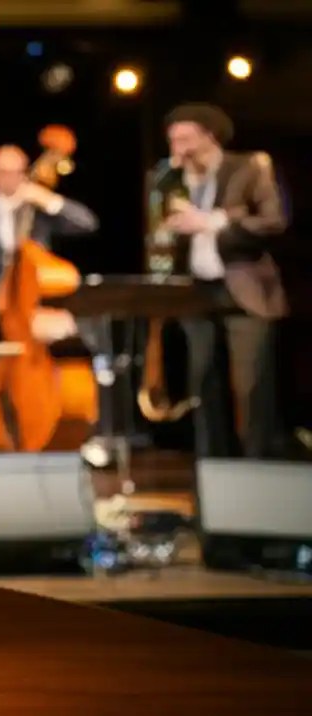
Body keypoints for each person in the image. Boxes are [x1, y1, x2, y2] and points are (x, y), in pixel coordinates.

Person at [159, 103, 287, 458]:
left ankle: (257, 468)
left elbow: (274, 221)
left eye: (185, 139)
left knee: (249, 388)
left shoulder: (248, 167)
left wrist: (213, 222)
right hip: (198, 293)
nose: (178, 148)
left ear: (209, 136)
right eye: (173, 140)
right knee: (202, 384)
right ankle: (210, 466)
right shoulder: (176, 179)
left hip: (243, 290)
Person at [0, 144, 99, 445]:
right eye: (4, 173)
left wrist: (49, 200)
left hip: (31, 303)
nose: (12, 180)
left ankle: (45, 431)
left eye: (19, 173)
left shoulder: (38, 207)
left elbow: (87, 224)